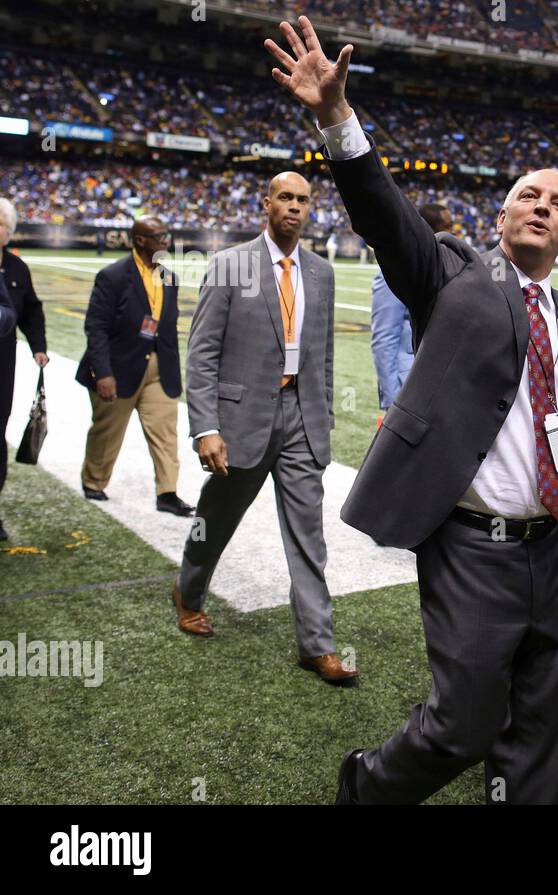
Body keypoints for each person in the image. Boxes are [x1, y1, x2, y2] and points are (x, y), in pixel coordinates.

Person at [265, 15, 558, 804]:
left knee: (541, 734)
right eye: (527, 197)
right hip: (473, 547)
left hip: (554, 549)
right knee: (464, 724)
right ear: (502, 219)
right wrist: (338, 120)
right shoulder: (454, 276)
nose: (542, 206)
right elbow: (385, 216)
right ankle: (367, 785)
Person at [175, 171, 353, 687]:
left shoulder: (321, 272)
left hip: (301, 415)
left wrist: (324, 416)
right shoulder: (231, 265)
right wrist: (206, 427)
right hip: (243, 419)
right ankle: (188, 592)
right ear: (267, 204)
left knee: (308, 535)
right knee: (218, 517)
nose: (294, 207)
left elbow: (324, 355)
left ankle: (317, 645)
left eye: (303, 199)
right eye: (286, 198)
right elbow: (202, 353)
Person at [73, 217, 192, 516]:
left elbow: (166, 326)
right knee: (108, 431)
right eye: (159, 236)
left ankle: (167, 492)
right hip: (118, 367)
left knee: (166, 432)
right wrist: (103, 373)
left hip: (159, 368)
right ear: (140, 240)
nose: (165, 241)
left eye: (166, 235)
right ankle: (94, 481)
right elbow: (96, 327)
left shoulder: (169, 278)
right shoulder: (113, 276)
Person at [0, 198, 49, 542]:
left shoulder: (16, 268)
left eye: (1, 224)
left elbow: (31, 310)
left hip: (4, 359)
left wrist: (39, 346)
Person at [371, 204, 450, 410]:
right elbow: (384, 337)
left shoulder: (444, 265)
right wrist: (391, 398)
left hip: (437, 380)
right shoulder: (396, 269)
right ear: (430, 228)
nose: (453, 233)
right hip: (406, 383)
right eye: (447, 226)